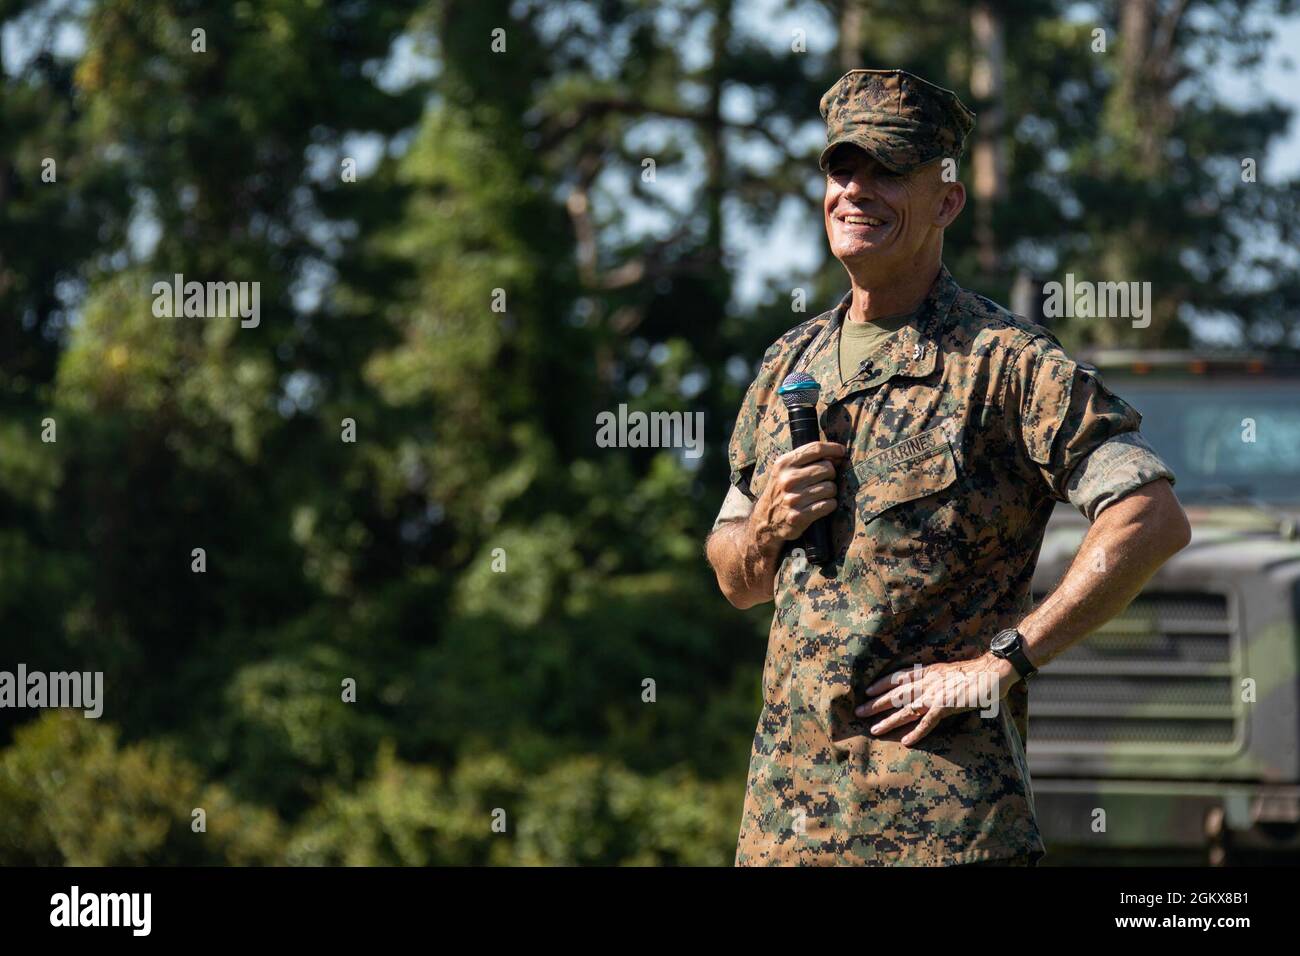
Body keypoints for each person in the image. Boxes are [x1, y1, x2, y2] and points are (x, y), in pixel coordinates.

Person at [705, 68, 1191, 866]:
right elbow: (736, 579)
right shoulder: (787, 364)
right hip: (786, 831)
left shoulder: (1005, 364)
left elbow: (1150, 516)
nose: (856, 192)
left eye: (889, 170)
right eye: (842, 169)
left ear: (947, 200)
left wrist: (1002, 660)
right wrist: (764, 528)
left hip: (945, 836)